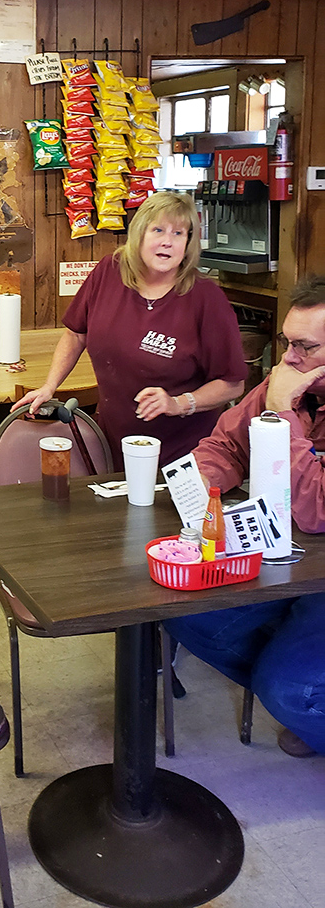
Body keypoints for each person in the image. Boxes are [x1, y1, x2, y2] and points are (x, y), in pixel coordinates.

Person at [165, 274, 325, 758]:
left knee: (290, 689)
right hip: (292, 562)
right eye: (286, 342)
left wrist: (281, 416)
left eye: (306, 347)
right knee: (189, 617)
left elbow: (317, 510)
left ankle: (301, 699)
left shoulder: (284, 393)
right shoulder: (291, 383)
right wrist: (199, 492)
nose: (289, 358)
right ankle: (304, 696)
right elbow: (227, 444)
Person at [17, 191, 246, 466]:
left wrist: (178, 403)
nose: (167, 242)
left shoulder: (206, 299)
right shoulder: (108, 272)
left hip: (183, 454)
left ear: (189, 243)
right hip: (113, 444)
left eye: (178, 234)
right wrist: (49, 386)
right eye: (158, 230)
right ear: (139, 234)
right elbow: (76, 334)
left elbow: (232, 384)